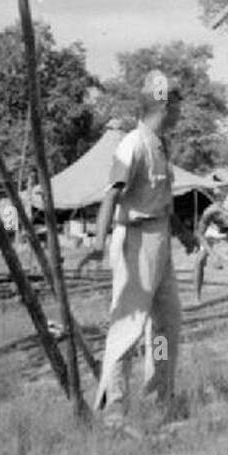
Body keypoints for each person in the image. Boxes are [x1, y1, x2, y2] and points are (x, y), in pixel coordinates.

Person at [80, 86, 198, 425]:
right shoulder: (132, 143)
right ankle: (114, 405)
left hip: (159, 238)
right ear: (162, 106)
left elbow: (161, 202)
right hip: (136, 239)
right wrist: (98, 243)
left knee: (165, 323)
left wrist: (184, 234)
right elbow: (112, 193)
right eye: (175, 104)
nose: (178, 111)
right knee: (128, 324)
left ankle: (159, 394)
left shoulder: (160, 146)